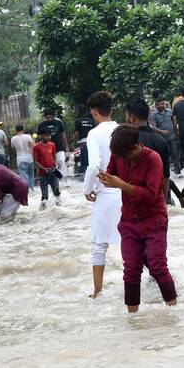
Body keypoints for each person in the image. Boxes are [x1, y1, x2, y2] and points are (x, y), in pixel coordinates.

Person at [97, 125, 177, 314]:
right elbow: (112, 172)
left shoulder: (153, 159)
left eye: (124, 156)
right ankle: (133, 318)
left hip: (154, 219)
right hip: (129, 221)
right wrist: (105, 178)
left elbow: (151, 195)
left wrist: (123, 185)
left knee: (157, 266)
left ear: (134, 148)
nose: (121, 159)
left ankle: (174, 312)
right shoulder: (119, 153)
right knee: (131, 269)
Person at [83, 91, 121, 299]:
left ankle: (97, 291)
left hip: (106, 194)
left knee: (99, 245)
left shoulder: (94, 134)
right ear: (112, 109)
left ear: (94, 112)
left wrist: (87, 190)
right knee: (130, 240)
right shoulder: (122, 129)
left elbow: (94, 165)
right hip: (127, 190)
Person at [148, 96, 177, 178]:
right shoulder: (154, 114)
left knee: (175, 154)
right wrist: (162, 132)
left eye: (162, 104)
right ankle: (165, 173)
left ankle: (177, 172)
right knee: (164, 156)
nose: (161, 105)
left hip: (172, 136)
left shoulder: (169, 112)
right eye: (159, 104)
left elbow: (173, 121)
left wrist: (176, 131)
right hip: (162, 139)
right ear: (156, 105)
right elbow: (153, 127)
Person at [36, 106, 69, 177]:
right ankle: (55, 179)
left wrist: (66, 147)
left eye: (51, 117)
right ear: (45, 117)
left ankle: (64, 180)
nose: (49, 119)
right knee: (51, 164)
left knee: (61, 162)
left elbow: (63, 135)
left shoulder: (58, 123)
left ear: (53, 116)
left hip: (59, 146)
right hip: (47, 149)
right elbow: (39, 137)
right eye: (48, 117)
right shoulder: (41, 125)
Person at [33, 129, 61, 208]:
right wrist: (43, 168)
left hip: (52, 171)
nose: (48, 137)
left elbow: (54, 156)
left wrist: (55, 164)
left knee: (57, 192)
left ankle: (59, 207)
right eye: (46, 135)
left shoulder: (52, 144)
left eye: (49, 135)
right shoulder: (36, 146)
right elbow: (35, 160)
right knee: (45, 195)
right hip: (43, 174)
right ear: (42, 136)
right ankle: (43, 211)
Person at [10, 124, 36, 190]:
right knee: (31, 175)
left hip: (20, 158)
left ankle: (26, 189)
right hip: (29, 158)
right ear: (23, 129)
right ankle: (32, 188)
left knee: (23, 175)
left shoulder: (13, 139)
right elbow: (33, 146)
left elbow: (13, 148)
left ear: (16, 130)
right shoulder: (28, 136)